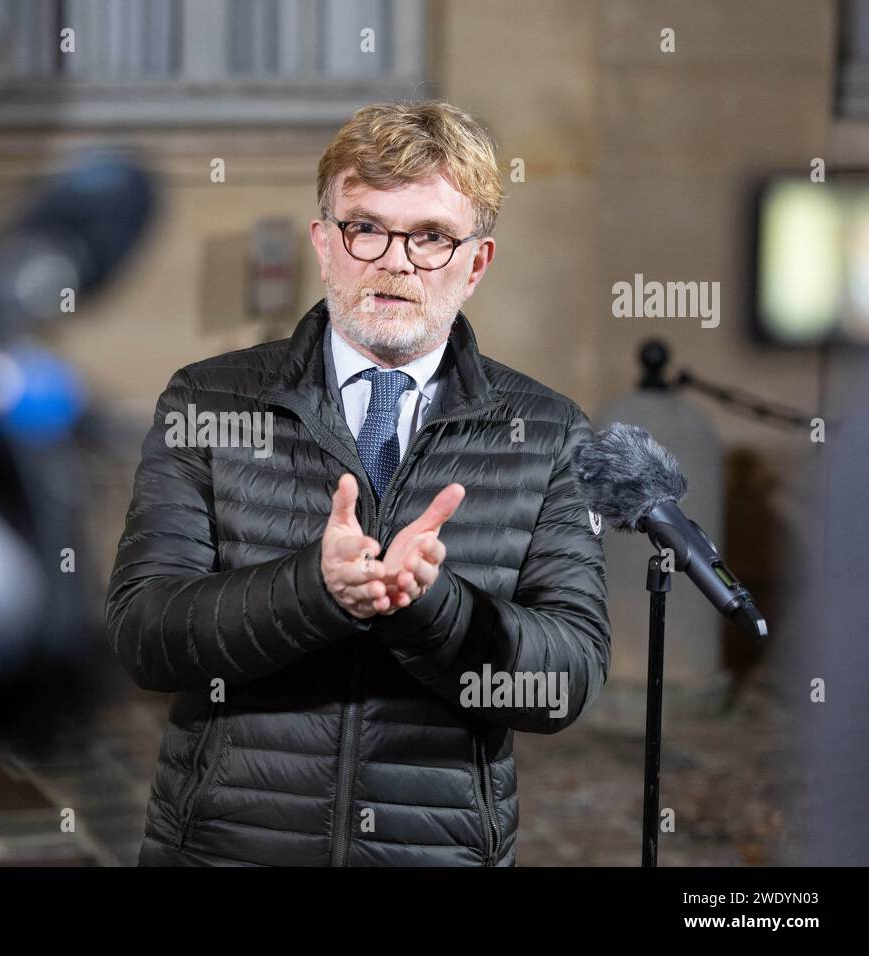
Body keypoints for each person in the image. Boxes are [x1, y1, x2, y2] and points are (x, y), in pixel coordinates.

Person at [106, 100, 611, 866]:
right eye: (366, 227)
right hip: (225, 847)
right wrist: (315, 587)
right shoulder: (207, 402)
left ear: (476, 264)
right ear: (323, 243)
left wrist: (431, 609)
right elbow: (145, 637)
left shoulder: (547, 433)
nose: (394, 260)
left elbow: (562, 685)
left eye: (433, 237)